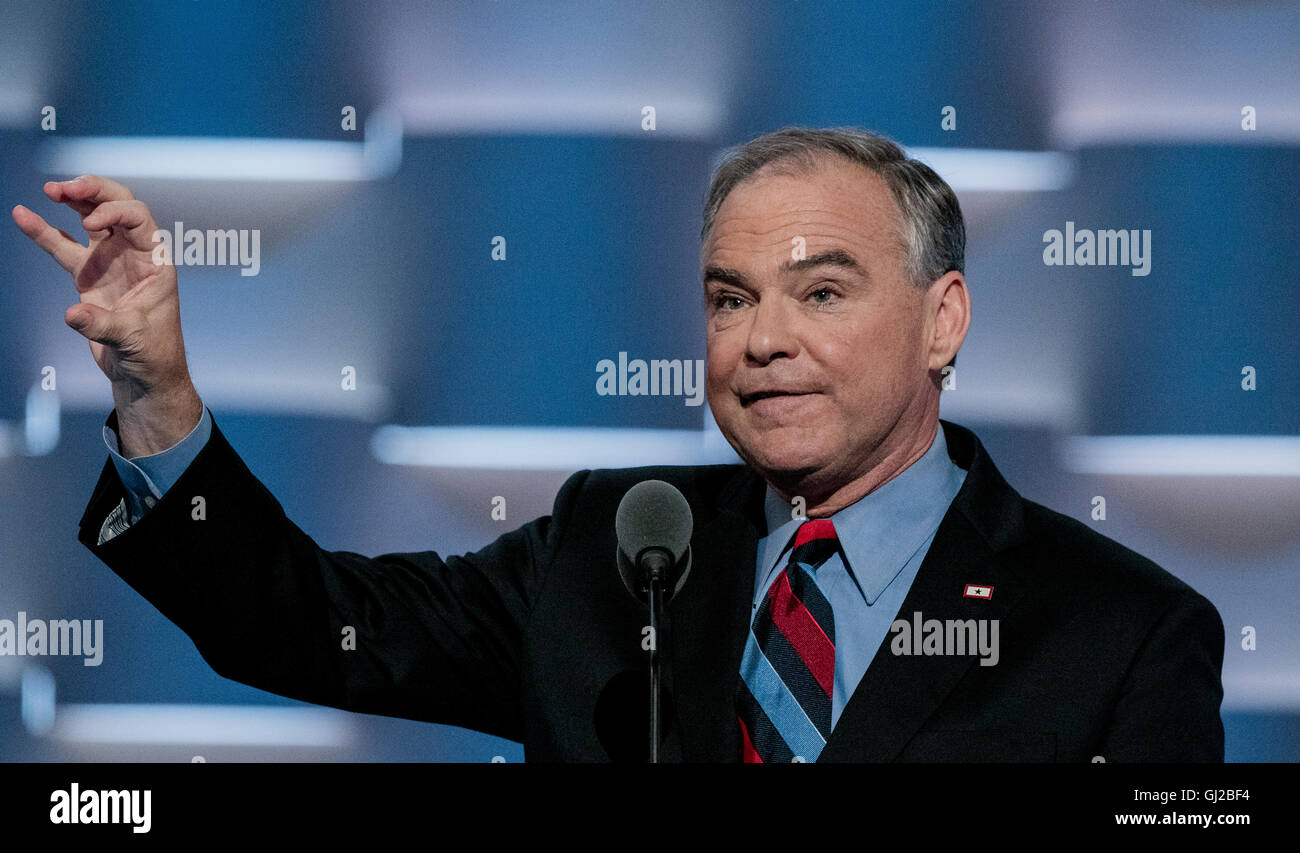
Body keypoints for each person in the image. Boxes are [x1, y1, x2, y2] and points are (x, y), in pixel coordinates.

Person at [12, 126, 1225, 762]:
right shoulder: (617, 541)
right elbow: (305, 623)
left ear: (942, 320)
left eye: (821, 292)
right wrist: (155, 387)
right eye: (729, 297)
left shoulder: (1121, 628)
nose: (761, 342)